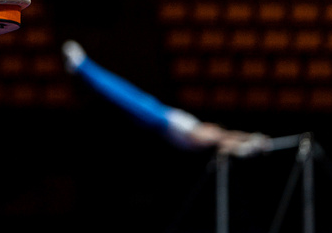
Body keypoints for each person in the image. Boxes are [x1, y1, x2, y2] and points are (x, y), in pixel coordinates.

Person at [63, 41, 271, 156]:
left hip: (159, 120)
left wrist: (244, 146)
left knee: (118, 93)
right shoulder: (209, 133)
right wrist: (250, 138)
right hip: (161, 112)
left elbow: (223, 142)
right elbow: (225, 136)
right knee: (120, 90)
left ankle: (82, 66)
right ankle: (82, 66)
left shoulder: (202, 138)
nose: (211, 127)